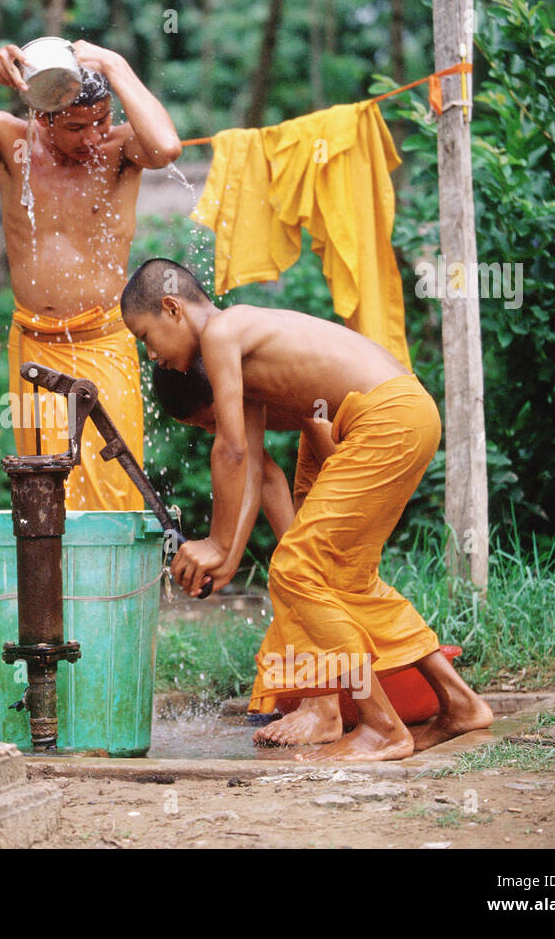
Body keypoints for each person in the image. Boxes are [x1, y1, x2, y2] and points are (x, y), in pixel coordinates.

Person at [121, 257, 492, 761]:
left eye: (146, 336)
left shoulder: (224, 331)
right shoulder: (239, 360)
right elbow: (251, 466)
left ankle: (384, 728)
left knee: (296, 570)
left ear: (172, 308)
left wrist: (215, 542)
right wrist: (225, 555)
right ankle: (459, 703)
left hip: (385, 419)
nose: (152, 355)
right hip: (397, 416)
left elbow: (229, 450)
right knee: (340, 579)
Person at [0, 40, 182, 510]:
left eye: (101, 120)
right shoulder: (11, 140)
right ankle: (52, 587)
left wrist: (115, 63)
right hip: (34, 345)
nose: (91, 136)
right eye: (75, 127)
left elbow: (167, 147)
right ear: (42, 117)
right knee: (43, 487)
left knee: (114, 483)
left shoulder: (121, 148)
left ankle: (109, 585)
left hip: (103, 341)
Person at [154, 358, 346, 746]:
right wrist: (289, 556)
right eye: (204, 429)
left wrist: (310, 557)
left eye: (211, 422)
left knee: (333, 571)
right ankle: (312, 689)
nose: (214, 432)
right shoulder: (239, 405)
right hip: (321, 437)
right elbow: (266, 475)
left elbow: (334, 452)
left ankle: (331, 702)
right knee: (298, 574)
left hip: (352, 437)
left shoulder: (260, 382)